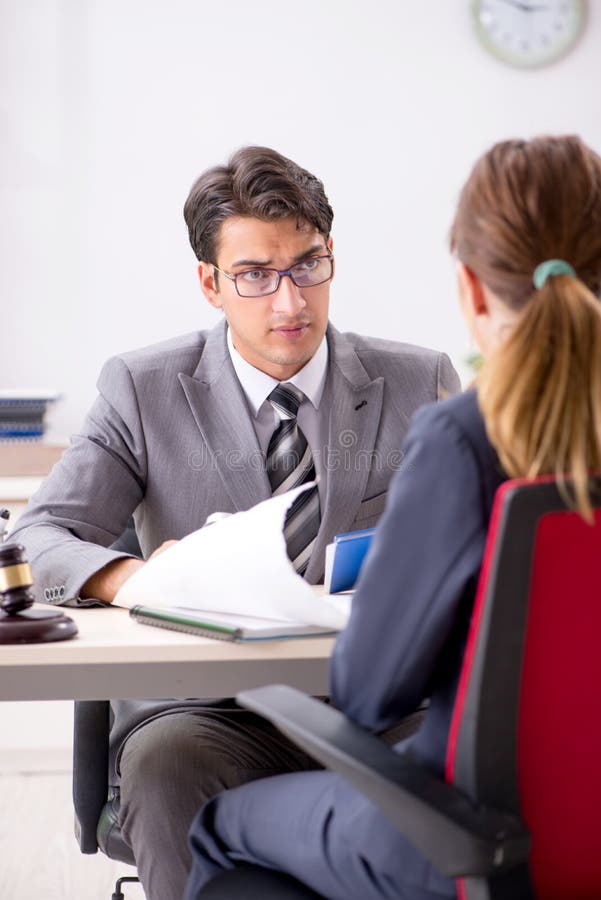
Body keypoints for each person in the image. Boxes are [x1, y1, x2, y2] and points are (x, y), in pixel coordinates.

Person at [12, 145, 459, 900]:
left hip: (388, 709)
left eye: (306, 266)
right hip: (216, 713)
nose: (288, 303)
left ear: (330, 259)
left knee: (494, 760)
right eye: (254, 275)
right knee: (165, 761)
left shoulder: (419, 381)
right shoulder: (143, 388)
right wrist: (136, 578)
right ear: (210, 284)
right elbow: (33, 539)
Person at [184, 133, 601, 900]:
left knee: (221, 826)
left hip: (475, 838)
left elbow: (369, 694)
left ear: (472, 290)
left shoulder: (466, 438)